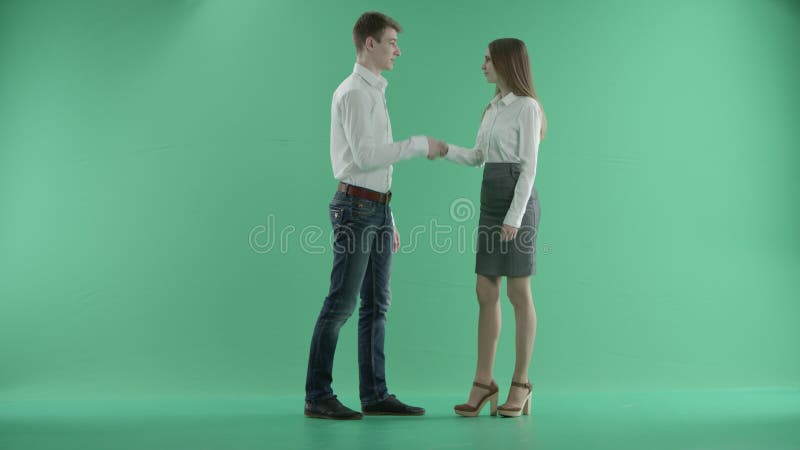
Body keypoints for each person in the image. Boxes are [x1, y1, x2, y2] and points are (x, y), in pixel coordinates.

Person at [304, 11, 447, 420]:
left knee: (377, 304)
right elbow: (365, 157)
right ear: (370, 44)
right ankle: (317, 395)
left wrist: (390, 217)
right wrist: (418, 144)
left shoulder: (375, 92)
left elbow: (374, 166)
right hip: (355, 208)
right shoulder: (352, 93)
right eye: (391, 43)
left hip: (377, 208)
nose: (397, 51)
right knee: (341, 303)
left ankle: (375, 394)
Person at [439, 38, 547, 418]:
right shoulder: (491, 109)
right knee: (485, 288)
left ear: (504, 62)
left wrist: (514, 219)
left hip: (517, 200)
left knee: (518, 292)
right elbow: (478, 157)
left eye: (487, 59)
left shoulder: (527, 108)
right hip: (489, 199)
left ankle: (521, 383)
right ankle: (484, 382)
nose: (482, 65)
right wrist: (444, 149)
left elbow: (529, 168)